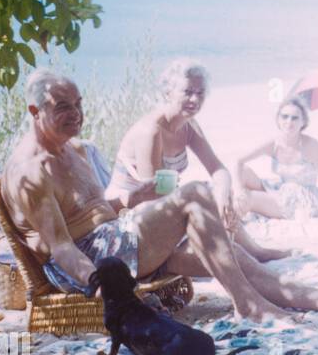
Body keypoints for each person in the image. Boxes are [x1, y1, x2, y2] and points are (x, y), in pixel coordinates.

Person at [1, 71, 318, 321]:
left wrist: (133, 199)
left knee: (233, 257)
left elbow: (99, 211)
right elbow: (62, 248)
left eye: (80, 104)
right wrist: (104, 281)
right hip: (93, 262)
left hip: (119, 241)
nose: (76, 114)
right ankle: (249, 305)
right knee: (194, 193)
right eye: (63, 107)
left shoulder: (74, 149)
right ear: (35, 110)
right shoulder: (30, 170)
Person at [103, 59, 287, 263]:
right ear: (168, 93)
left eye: (200, 93)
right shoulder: (151, 131)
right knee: (205, 196)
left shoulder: (188, 125)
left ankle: (255, 251)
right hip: (128, 213)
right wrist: (207, 202)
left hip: (161, 202)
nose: (194, 99)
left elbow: (218, 168)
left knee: (217, 193)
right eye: (187, 92)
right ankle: (239, 254)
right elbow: (155, 194)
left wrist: (224, 197)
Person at [236, 97, 318, 219]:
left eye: (294, 118)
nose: (289, 121)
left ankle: (230, 224)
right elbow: (238, 161)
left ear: (303, 122)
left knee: (248, 197)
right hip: (281, 191)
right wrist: (238, 190)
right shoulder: (273, 143)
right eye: (284, 116)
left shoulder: (310, 145)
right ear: (278, 119)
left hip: (303, 199)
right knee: (243, 173)